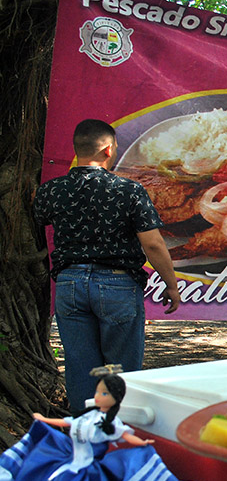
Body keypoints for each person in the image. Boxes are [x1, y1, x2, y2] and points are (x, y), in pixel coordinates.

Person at [33, 119, 181, 413]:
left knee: (80, 365)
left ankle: (85, 429)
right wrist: (171, 285)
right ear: (108, 150)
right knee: (120, 369)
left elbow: (37, 219)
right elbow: (152, 244)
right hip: (117, 285)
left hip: (69, 284)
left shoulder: (51, 191)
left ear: (77, 149)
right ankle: (117, 429)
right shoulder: (128, 190)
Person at [0, 366, 221, 481]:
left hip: (91, 466)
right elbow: (66, 422)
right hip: (70, 459)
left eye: (104, 394)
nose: (98, 397)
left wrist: (142, 443)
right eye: (98, 392)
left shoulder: (111, 423)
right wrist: (43, 419)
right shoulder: (88, 417)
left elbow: (125, 436)